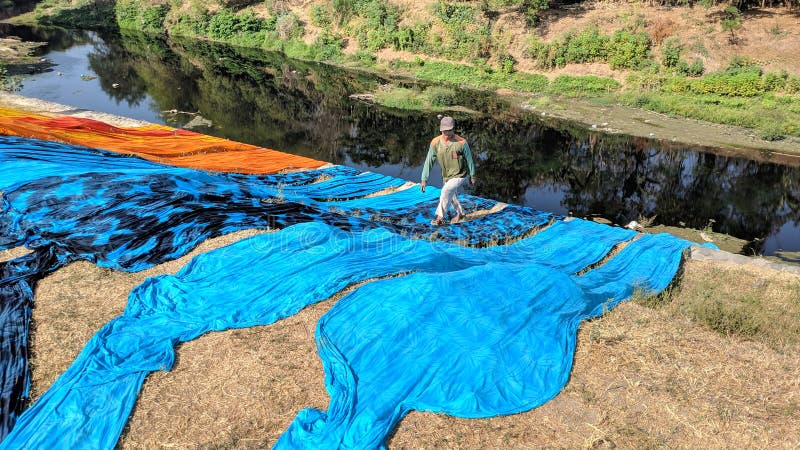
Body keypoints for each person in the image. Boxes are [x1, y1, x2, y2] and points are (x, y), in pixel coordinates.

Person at [420, 116, 476, 225]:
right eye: (445, 130)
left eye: (450, 130)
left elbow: (469, 159)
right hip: (447, 175)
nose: (447, 132)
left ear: (453, 129)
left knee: (445, 191)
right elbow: (429, 161)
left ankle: (439, 217)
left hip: (460, 174)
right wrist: (424, 179)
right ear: (441, 129)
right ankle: (460, 214)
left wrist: (473, 175)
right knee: (452, 195)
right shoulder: (435, 143)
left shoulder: (461, 143)